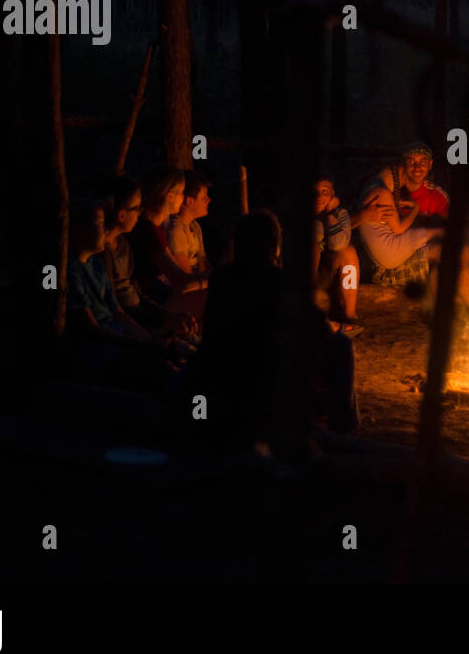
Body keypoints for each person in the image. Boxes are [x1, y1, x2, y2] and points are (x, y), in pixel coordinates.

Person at [194, 209, 358, 456]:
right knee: (342, 345)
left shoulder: (222, 277)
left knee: (196, 372)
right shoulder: (282, 282)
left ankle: (200, 419)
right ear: (275, 246)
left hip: (223, 375)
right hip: (270, 384)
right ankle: (342, 430)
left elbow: (211, 335)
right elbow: (321, 331)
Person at [64, 198, 183, 390]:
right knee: (162, 375)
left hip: (119, 341)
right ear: (77, 230)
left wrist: (149, 341)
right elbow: (90, 328)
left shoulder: (97, 264)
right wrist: (140, 345)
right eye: (99, 223)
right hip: (97, 352)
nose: (105, 230)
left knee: (174, 359)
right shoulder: (69, 272)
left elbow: (119, 313)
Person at [354, 183, 469, 319]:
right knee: (451, 253)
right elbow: (400, 231)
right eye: (412, 161)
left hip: (412, 253)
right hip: (392, 264)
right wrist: (415, 210)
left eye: (423, 161)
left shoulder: (434, 195)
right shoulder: (383, 194)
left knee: (451, 257)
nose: (417, 167)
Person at [100, 174, 197, 340]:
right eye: (137, 208)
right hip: (131, 320)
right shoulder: (145, 231)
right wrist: (163, 322)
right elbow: (117, 307)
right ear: (121, 215)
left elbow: (134, 290)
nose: (141, 211)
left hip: (144, 309)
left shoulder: (123, 244)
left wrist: (167, 317)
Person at [129, 165, 209, 322]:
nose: (183, 198)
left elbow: (180, 276)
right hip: (146, 301)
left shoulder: (157, 228)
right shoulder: (147, 230)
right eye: (181, 193)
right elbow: (181, 281)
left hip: (159, 294)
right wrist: (220, 279)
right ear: (170, 196)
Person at [313, 175, 362, 335]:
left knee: (348, 251)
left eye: (324, 191)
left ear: (332, 195)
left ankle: (350, 316)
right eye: (314, 192)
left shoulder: (340, 214)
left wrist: (328, 216)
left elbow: (339, 243)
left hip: (328, 273)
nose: (319, 196)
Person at [166, 169, 212, 278]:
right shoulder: (176, 229)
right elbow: (185, 275)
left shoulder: (195, 226)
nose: (209, 200)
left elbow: (203, 263)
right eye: (204, 197)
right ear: (189, 201)